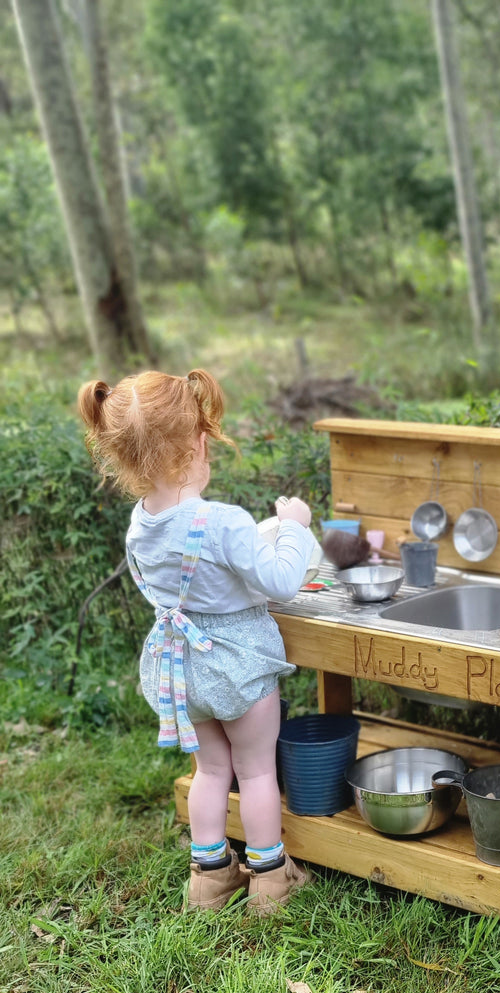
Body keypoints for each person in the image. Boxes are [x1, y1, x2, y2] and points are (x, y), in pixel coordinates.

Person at [78, 369, 319, 914]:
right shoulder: (223, 520)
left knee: (211, 770)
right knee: (256, 771)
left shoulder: (139, 524)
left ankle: (209, 877)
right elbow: (280, 581)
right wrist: (294, 527)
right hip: (238, 664)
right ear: (199, 442)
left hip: (181, 666)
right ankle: (270, 877)